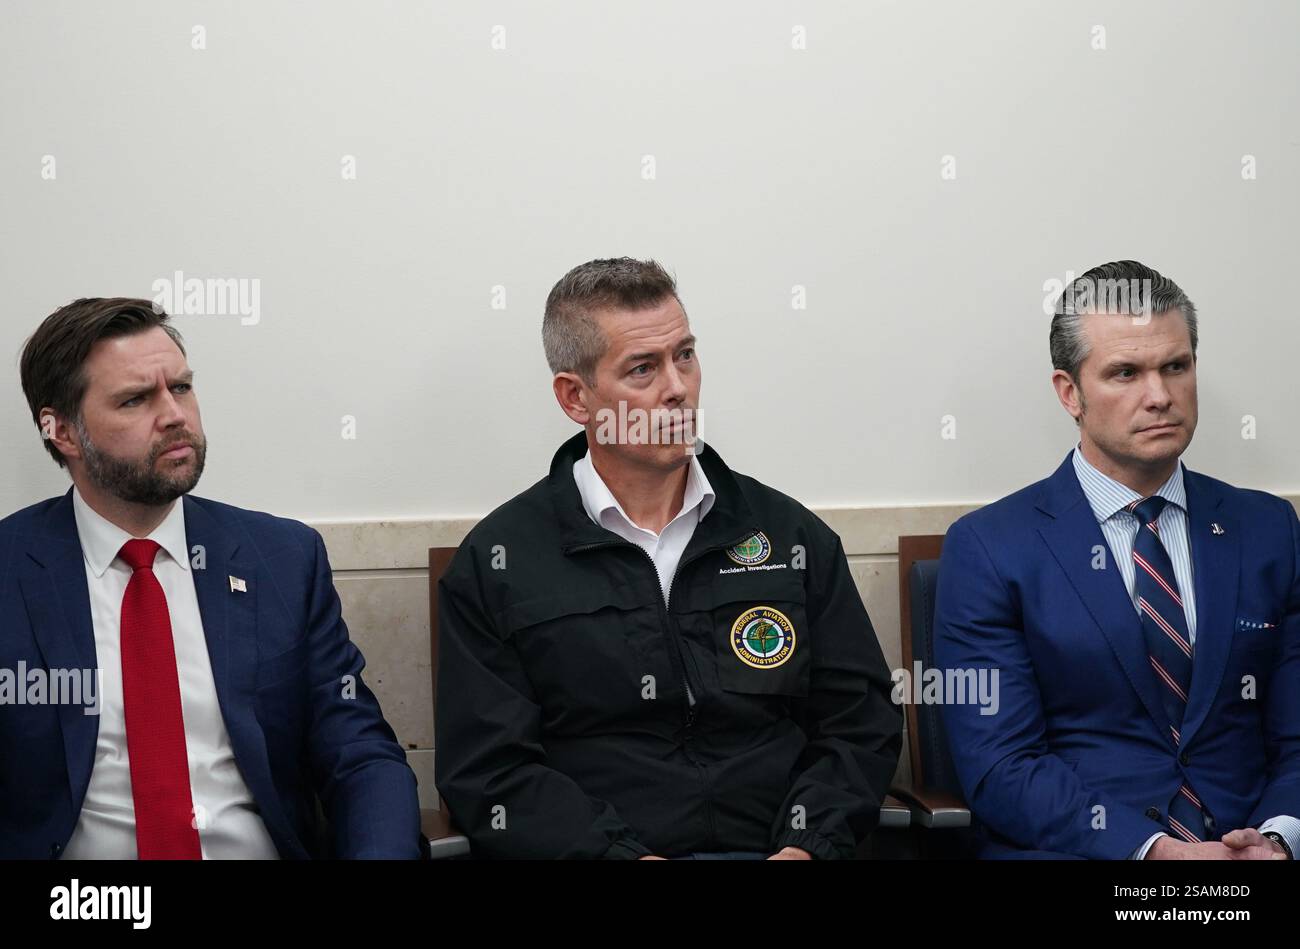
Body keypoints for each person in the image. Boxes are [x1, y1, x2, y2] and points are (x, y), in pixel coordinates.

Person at [435, 257, 900, 859]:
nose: (677, 386)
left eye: (684, 354)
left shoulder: (790, 537)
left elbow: (859, 723)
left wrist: (807, 844)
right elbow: (489, 771)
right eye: (642, 369)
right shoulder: (498, 561)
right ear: (577, 398)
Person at [0, 297, 420, 859]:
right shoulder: (12, 572)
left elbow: (359, 752)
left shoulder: (282, 559)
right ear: (64, 433)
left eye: (180, 387)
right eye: (135, 399)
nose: (174, 414)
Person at [935, 260, 1299, 859]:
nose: (1159, 396)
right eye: (1125, 373)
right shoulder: (990, 548)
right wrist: (1158, 851)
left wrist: (1280, 839)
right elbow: (1001, 766)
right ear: (1069, 392)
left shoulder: (1268, 530)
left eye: (1175, 368)